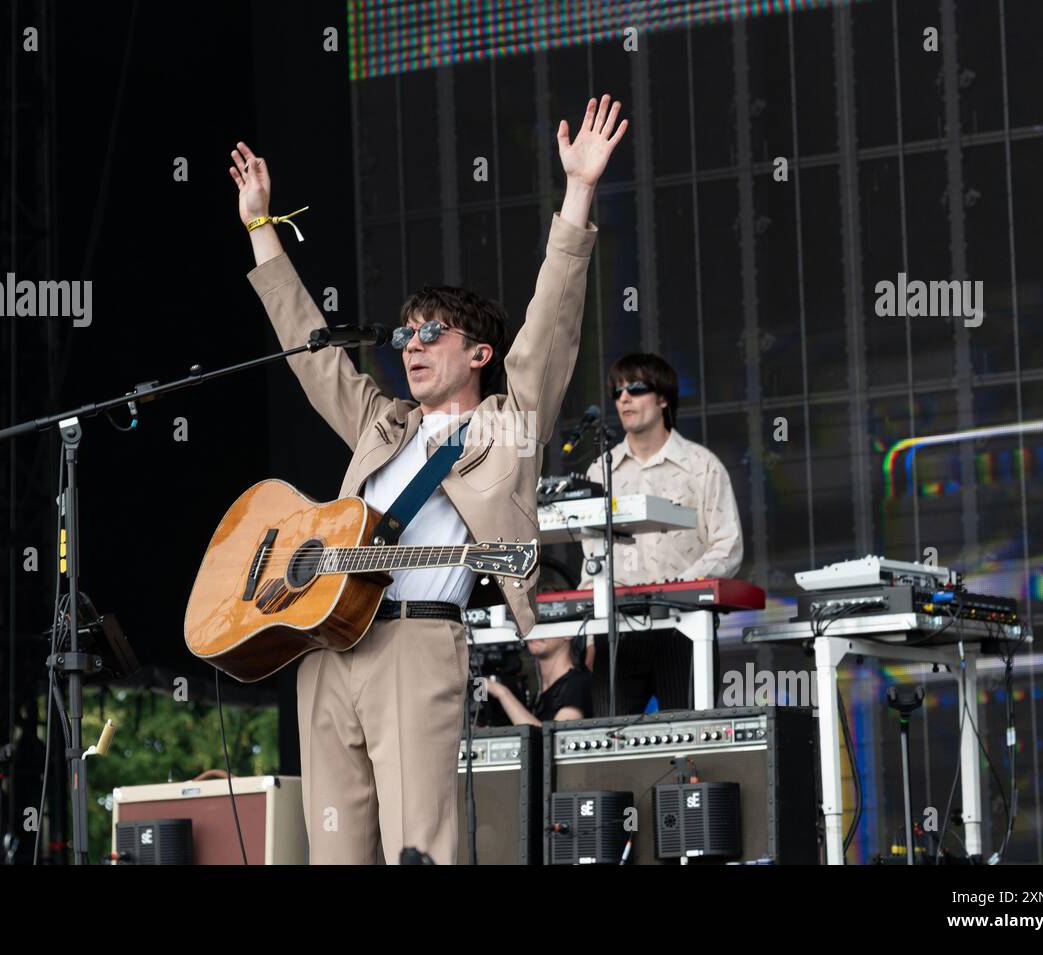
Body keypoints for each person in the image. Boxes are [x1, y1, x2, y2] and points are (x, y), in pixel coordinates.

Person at [228, 95, 627, 864]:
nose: (411, 346)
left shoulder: (507, 425)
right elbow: (310, 354)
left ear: (480, 354)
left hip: (414, 644)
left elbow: (550, 321)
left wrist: (577, 193)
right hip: (324, 642)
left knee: (422, 850)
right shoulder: (384, 421)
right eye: (405, 333)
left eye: (431, 334)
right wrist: (261, 231)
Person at [578, 353, 743, 713]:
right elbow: (593, 559)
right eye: (617, 392)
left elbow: (727, 546)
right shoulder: (600, 472)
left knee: (689, 747)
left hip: (684, 628)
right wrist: (592, 634)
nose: (624, 398)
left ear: (663, 398)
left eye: (636, 388)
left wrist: (675, 592)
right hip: (617, 631)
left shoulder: (702, 466)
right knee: (610, 749)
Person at [481, 635, 592, 726]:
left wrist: (501, 693)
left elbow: (553, 742)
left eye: (544, 625)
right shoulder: (536, 689)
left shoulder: (578, 682)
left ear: (568, 634)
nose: (534, 633)